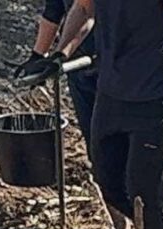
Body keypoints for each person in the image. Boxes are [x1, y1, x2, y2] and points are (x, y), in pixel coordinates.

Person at [54, 0, 163, 229]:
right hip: (109, 93)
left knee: (145, 192)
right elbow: (84, 8)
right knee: (106, 179)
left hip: (154, 96)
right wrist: (59, 55)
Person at [15, 0, 99, 146]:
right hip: (77, 63)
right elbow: (54, 9)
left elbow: (87, 12)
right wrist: (38, 56)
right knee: (93, 136)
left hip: (116, 64)